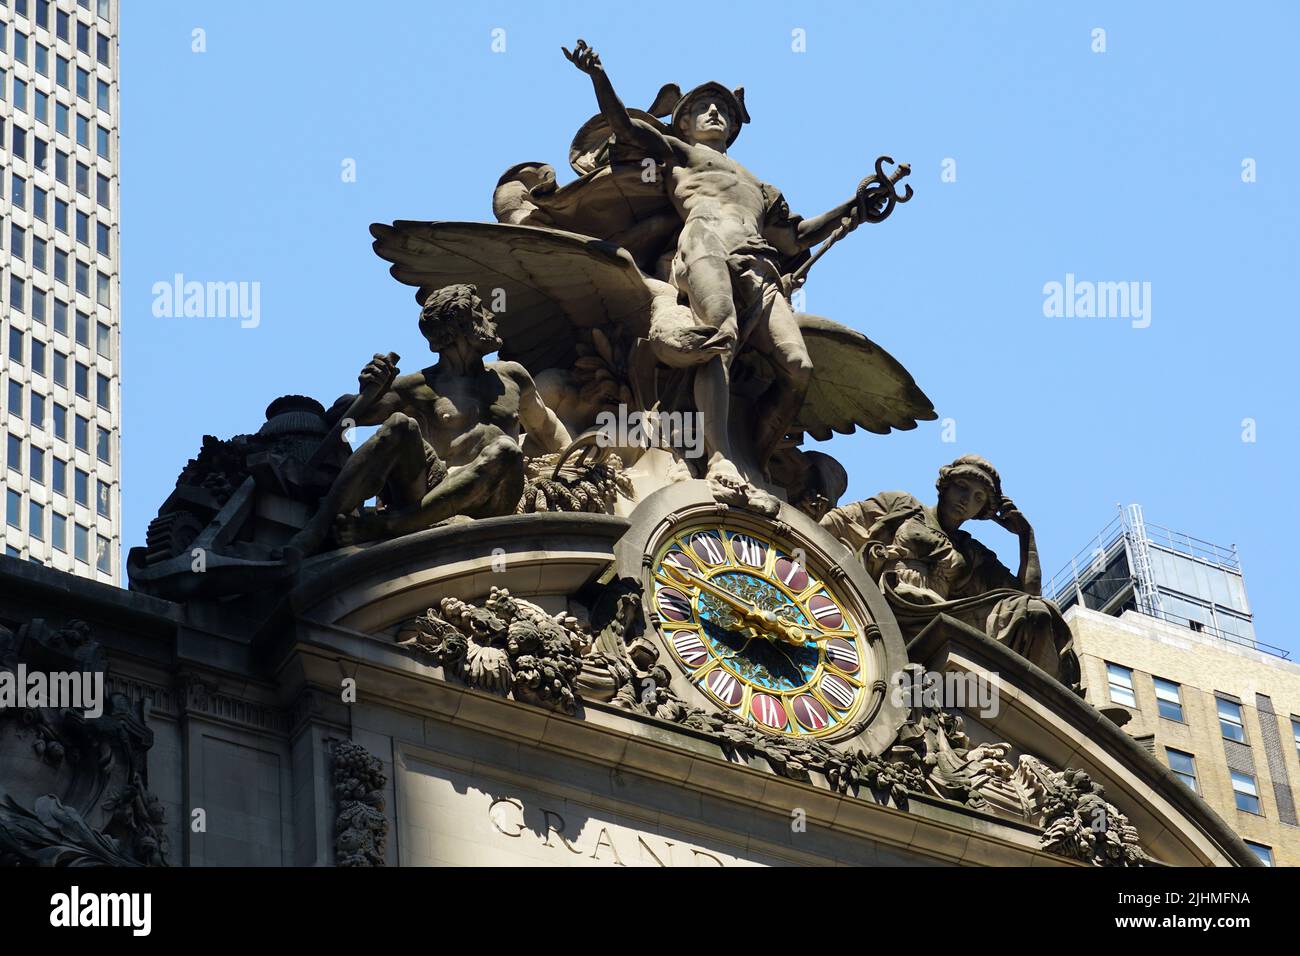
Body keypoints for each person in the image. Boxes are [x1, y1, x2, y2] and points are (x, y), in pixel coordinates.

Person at [562, 39, 879, 492]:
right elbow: (627, 129)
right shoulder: (681, 154)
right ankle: (719, 459)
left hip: (761, 267)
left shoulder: (761, 186)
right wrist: (598, 76)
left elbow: (796, 237)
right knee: (719, 337)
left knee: (798, 368)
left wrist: (854, 207)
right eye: (704, 108)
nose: (715, 113)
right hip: (705, 245)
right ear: (684, 123)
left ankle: (757, 460)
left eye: (723, 110)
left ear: (733, 128)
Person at [291, 284, 570, 551]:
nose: (491, 316)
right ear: (460, 327)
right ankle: (316, 530)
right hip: (430, 492)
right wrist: (370, 390)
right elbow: (341, 419)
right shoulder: (417, 387)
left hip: (494, 497)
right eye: (480, 310)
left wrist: (577, 463)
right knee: (400, 424)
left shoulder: (512, 376)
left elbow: (547, 427)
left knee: (506, 449)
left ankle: (388, 525)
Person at [820, 455, 1079, 686]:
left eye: (978, 498)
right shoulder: (902, 505)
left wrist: (1026, 537)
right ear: (946, 485)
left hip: (940, 619)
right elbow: (838, 522)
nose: (966, 501)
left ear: (982, 511)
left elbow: (1029, 594)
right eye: (962, 488)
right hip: (892, 599)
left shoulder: (972, 551)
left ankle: (1042, 697)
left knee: (1037, 612)